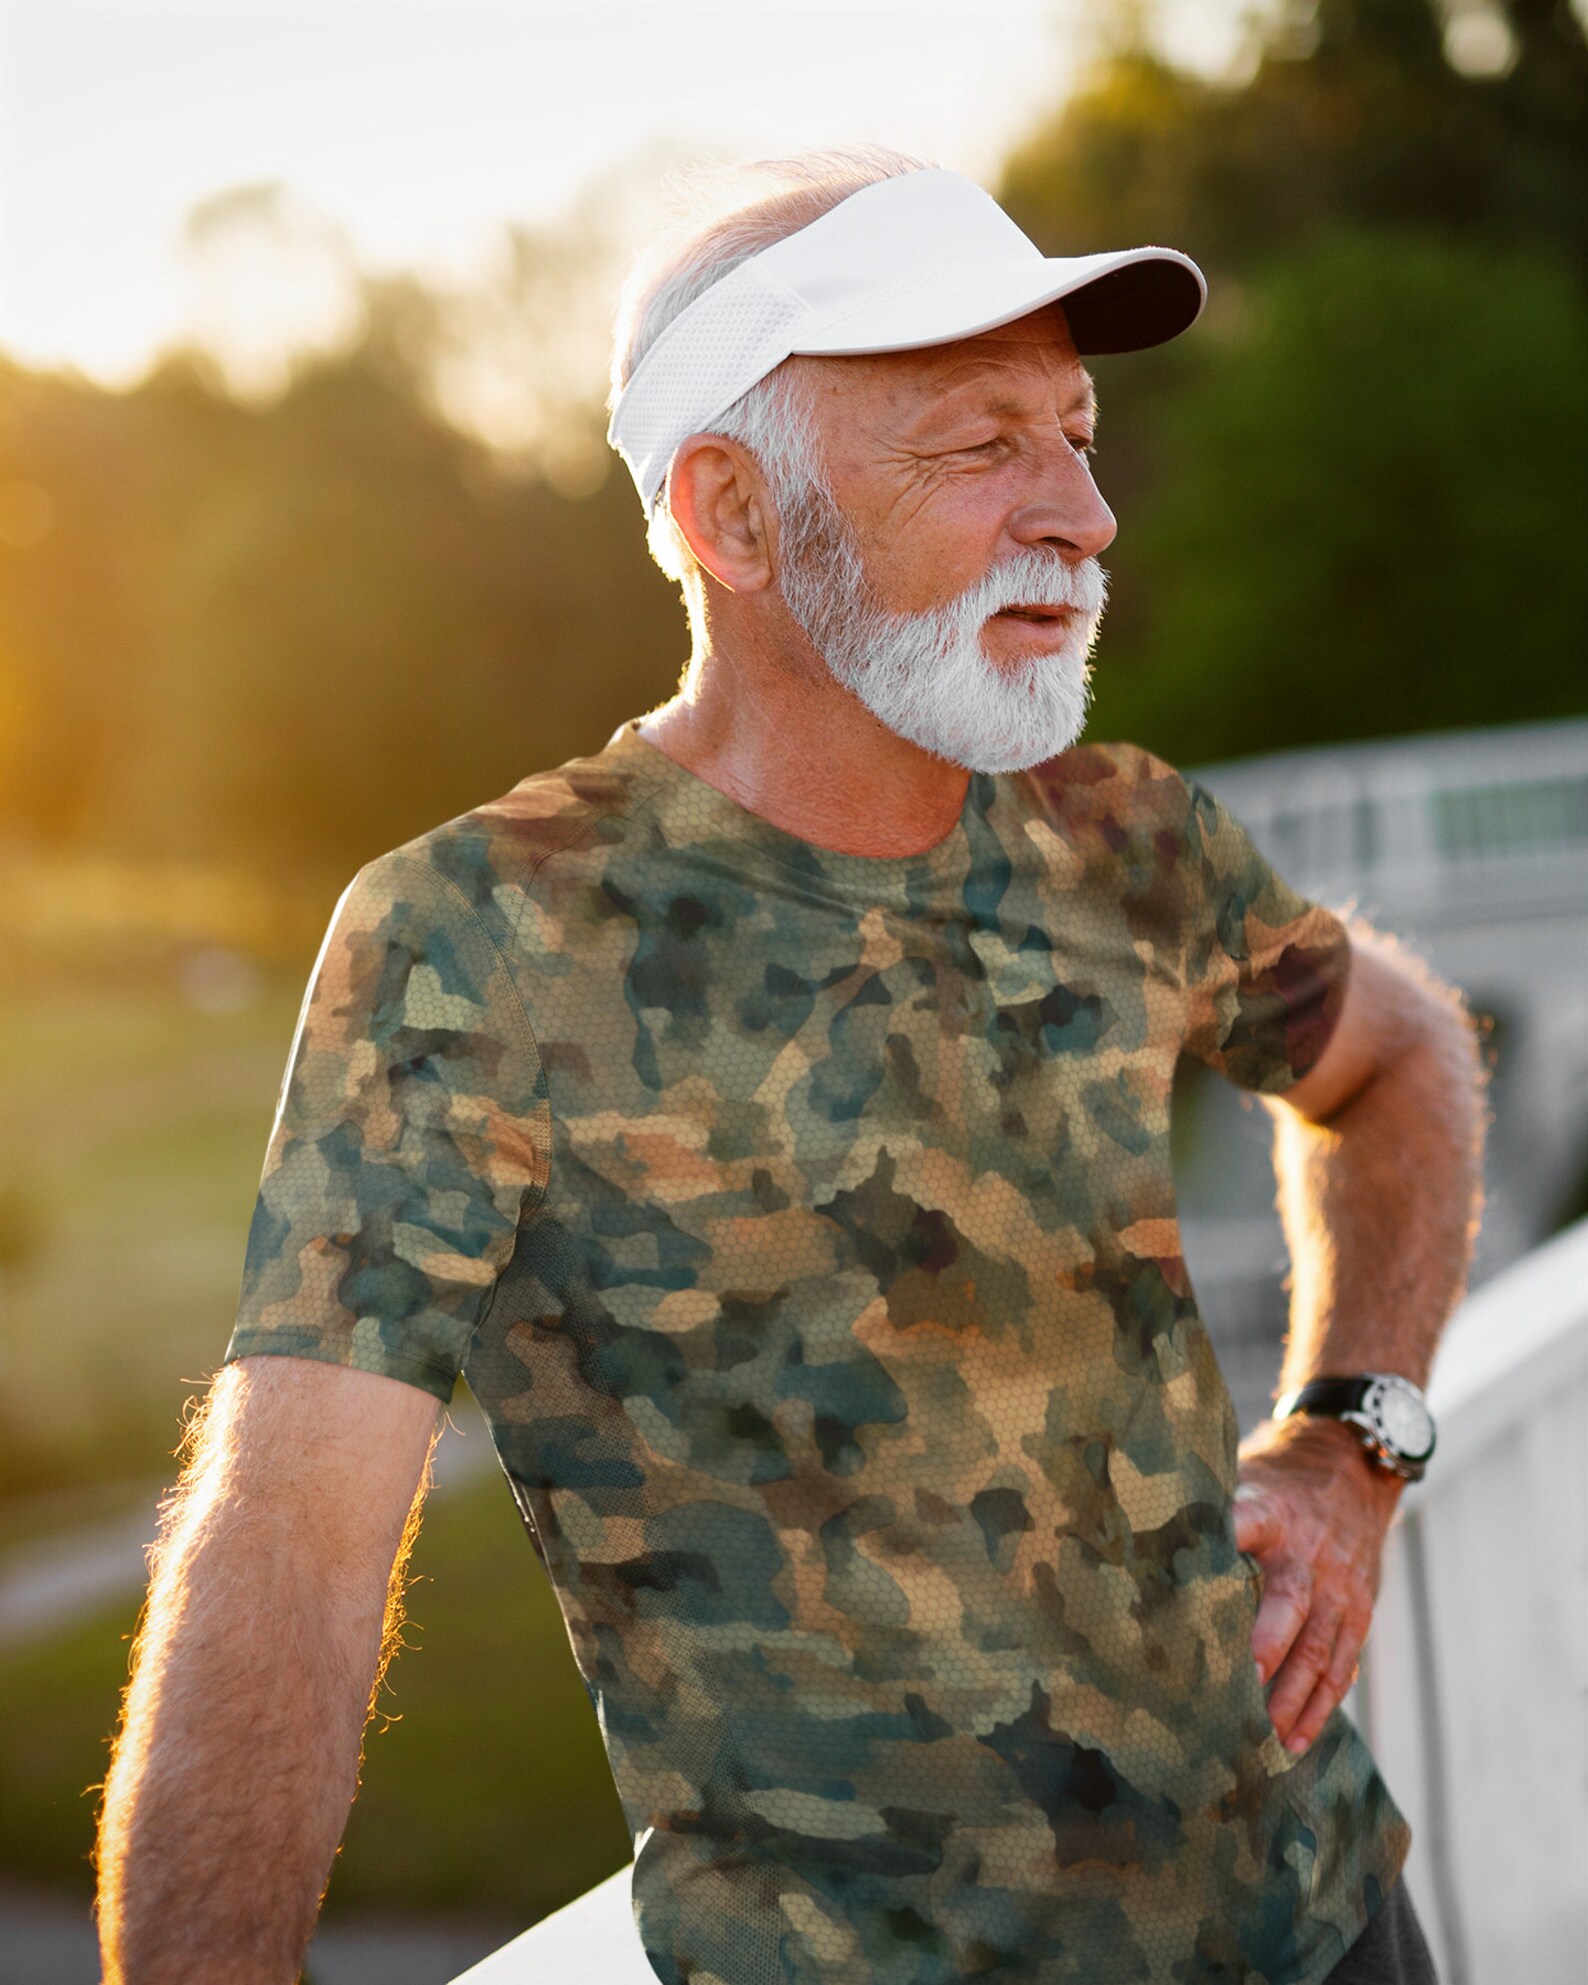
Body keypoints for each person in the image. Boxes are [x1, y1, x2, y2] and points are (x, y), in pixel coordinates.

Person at [94, 148, 1486, 1985]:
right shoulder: (484, 941)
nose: (1081, 508)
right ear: (733, 517)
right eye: (978, 444)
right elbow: (288, 1554)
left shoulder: (1120, 835)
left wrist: (1350, 1439)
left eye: (1072, 432)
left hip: (1329, 1923)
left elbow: (1403, 1058)